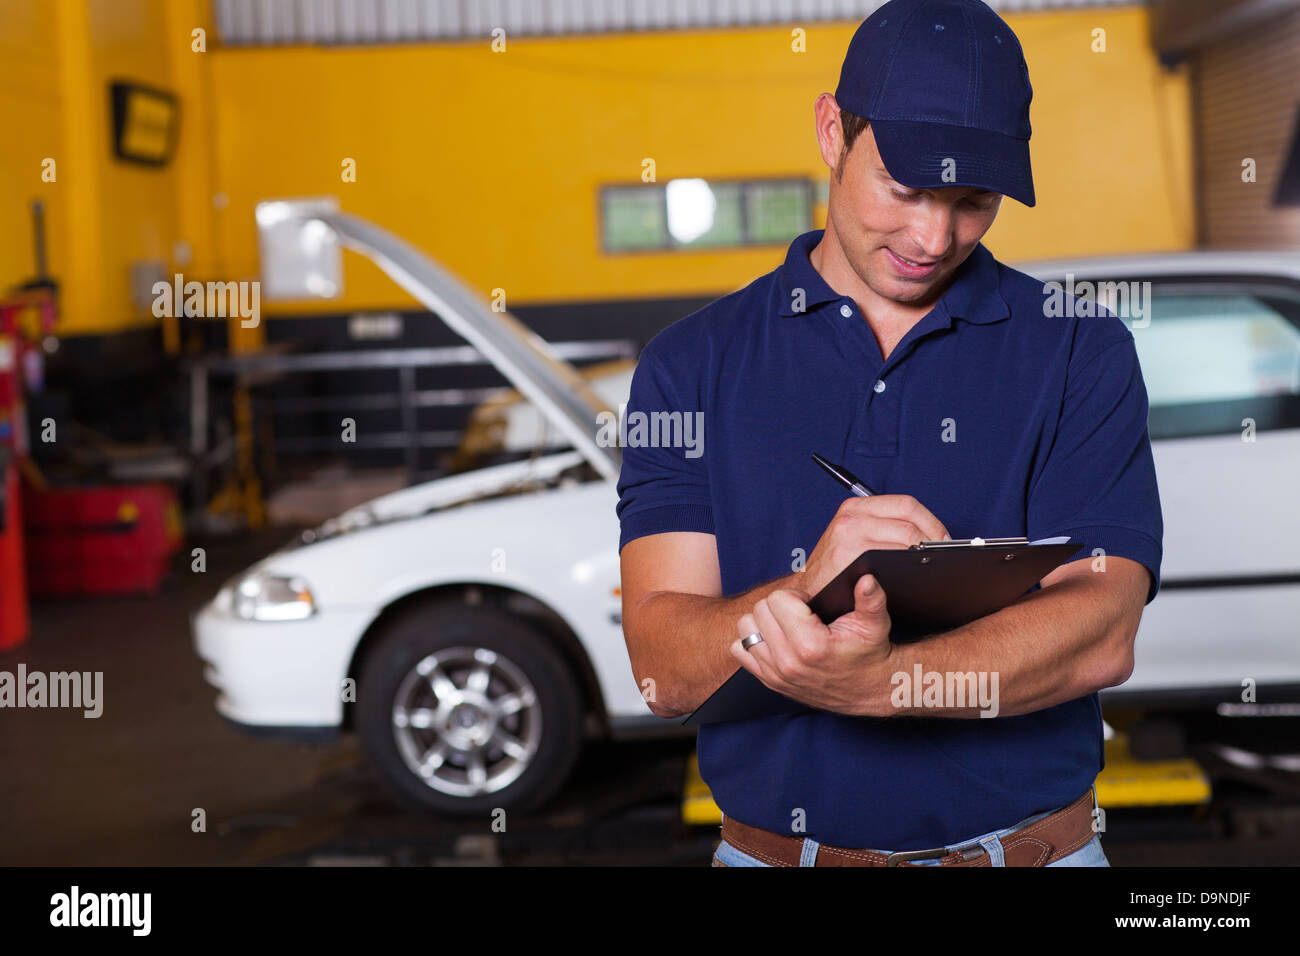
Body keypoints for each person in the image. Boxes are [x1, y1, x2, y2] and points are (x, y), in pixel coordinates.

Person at [615, 0, 1162, 867]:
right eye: (904, 189)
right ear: (833, 130)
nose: (931, 236)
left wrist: (885, 683)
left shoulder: (1079, 349)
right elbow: (663, 670)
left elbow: (1103, 629)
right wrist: (805, 591)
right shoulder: (689, 367)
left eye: (972, 201)